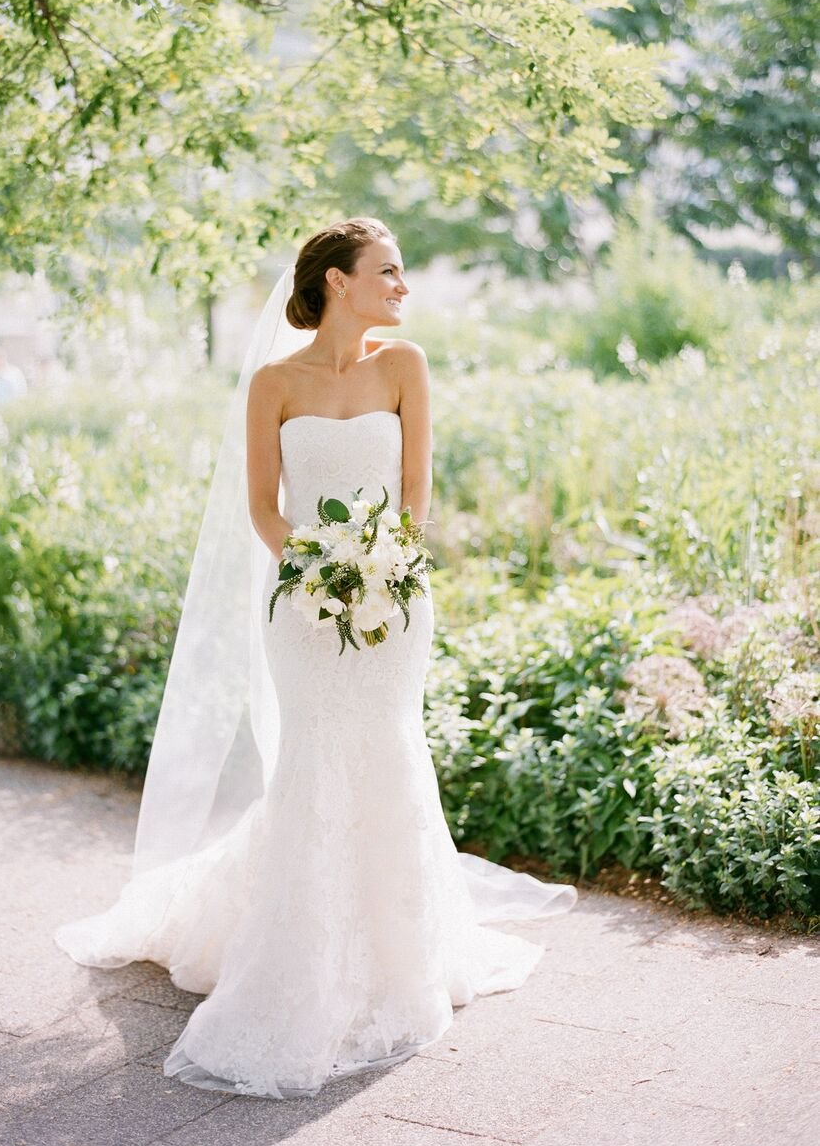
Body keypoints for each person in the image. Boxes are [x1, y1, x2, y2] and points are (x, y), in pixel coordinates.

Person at [54, 216, 577, 1100]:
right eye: (390, 271)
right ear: (338, 280)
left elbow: (415, 499)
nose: (403, 287)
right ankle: (298, 946)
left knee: (387, 750)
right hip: (300, 606)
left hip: (395, 603)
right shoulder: (272, 383)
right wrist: (319, 570)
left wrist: (381, 570)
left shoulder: (405, 366)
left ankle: (397, 950)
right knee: (313, 759)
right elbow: (264, 508)